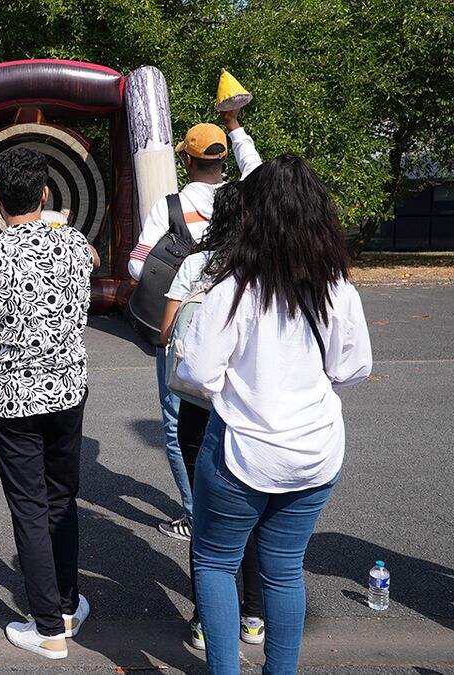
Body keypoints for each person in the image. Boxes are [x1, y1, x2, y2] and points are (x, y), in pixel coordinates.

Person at [179, 154, 373, 674]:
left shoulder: (231, 289)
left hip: (241, 450)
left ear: (251, 216)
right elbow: (353, 369)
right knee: (284, 569)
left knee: (216, 563)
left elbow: (196, 376)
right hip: (315, 450)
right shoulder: (339, 290)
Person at [0, 147, 94, 660]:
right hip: (68, 390)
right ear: (46, 194)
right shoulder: (75, 243)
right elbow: (83, 252)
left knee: (30, 509)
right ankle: (68, 603)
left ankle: (47, 627)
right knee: (62, 499)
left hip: (12, 397)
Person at [128, 108, 262, 542]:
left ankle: (194, 513)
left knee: (176, 419)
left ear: (186, 160)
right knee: (233, 410)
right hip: (238, 318)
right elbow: (257, 169)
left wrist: (182, 277)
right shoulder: (244, 199)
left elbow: (137, 264)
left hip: (183, 322)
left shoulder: (169, 206)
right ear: (222, 160)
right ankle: (235, 507)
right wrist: (235, 124)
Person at [159, 182, 263, 651]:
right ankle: (254, 617)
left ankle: (204, 621)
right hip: (251, 406)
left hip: (201, 407)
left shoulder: (195, 265)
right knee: (257, 515)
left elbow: (165, 332)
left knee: (207, 515)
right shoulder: (268, 267)